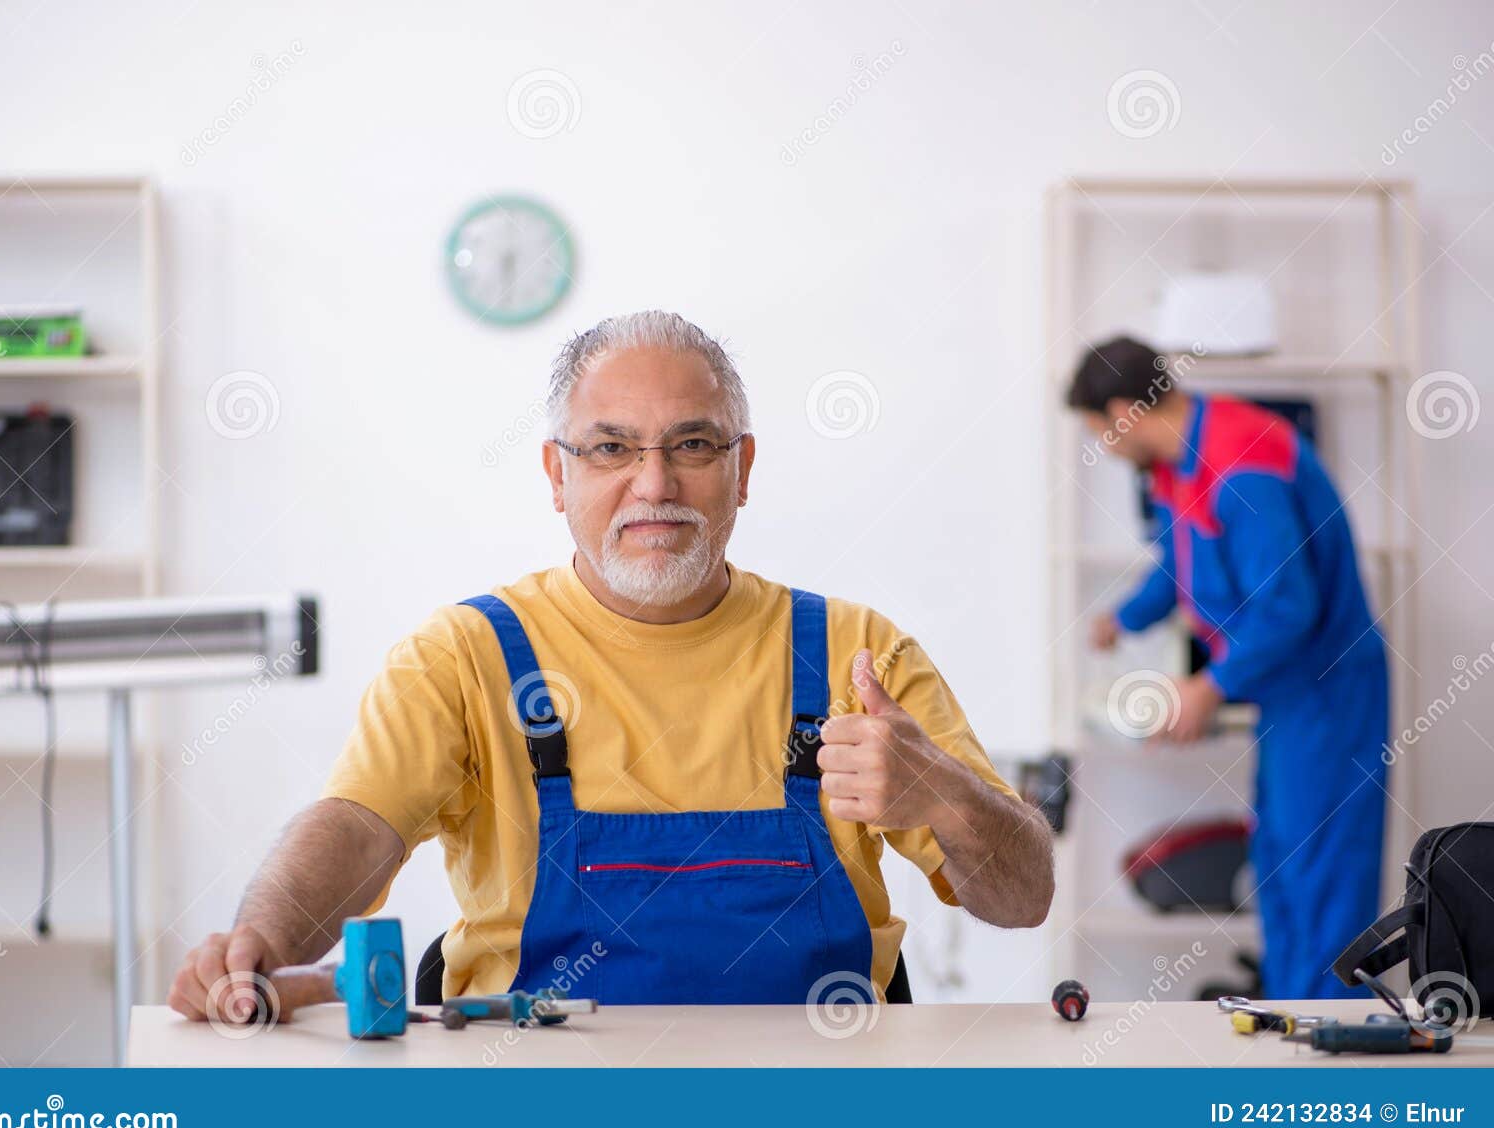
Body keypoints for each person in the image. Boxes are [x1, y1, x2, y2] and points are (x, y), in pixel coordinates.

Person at [169, 310, 1053, 1025]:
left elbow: (1024, 899)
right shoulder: (465, 657)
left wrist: (946, 795)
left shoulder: (857, 655)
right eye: (611, 448)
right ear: (557, 474)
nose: (655, 483)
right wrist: (262, 938)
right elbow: (359, 828)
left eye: (693, 446)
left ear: (742, 470)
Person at [1070, 335, 1388, 1001]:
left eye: (1099, 431)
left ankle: (1334, 1051)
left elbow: (1287, 607)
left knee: (1322, 876)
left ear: (1125, 410)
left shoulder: (1241, 458)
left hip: (1327, 691)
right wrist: (1122, 619)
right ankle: (1292, 1026)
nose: (1101, 446)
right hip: (1285, 695)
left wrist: (1208, 689)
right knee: (1278, 867)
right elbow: (1182, 561)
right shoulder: (1178, 465)